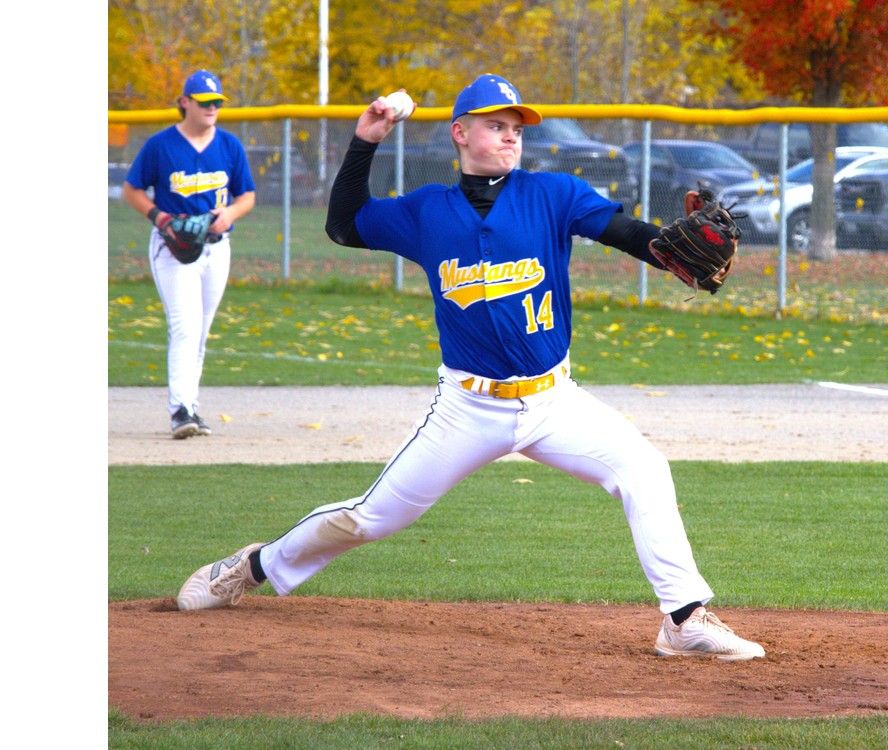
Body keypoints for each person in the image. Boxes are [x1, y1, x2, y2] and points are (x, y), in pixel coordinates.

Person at [177, 74, 764, 660]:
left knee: (644, 469)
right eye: (496, 125)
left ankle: (683, 619)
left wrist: (670, 250)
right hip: (467, 408)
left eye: (516, 128)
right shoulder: (426, 211)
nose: (511, 137)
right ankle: (252, 566)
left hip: (554, 403)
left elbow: (636, 237)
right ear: (460, 133)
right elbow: (343, 225)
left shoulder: (554, 194)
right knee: (369, 518)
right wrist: (365, 141)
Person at [122, 70, 256, 439]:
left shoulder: (229, 146)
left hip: (217, 248)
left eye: (217, 102)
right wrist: (159, 216)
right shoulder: (161, 145)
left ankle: (191, 406)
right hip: (172, 248)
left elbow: (247, 195)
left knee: (201, 330)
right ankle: (180, 410)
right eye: (204, 102)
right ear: (185, 103)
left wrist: (229, 213)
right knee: (185, 326)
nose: (212, 107)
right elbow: (131, 190)